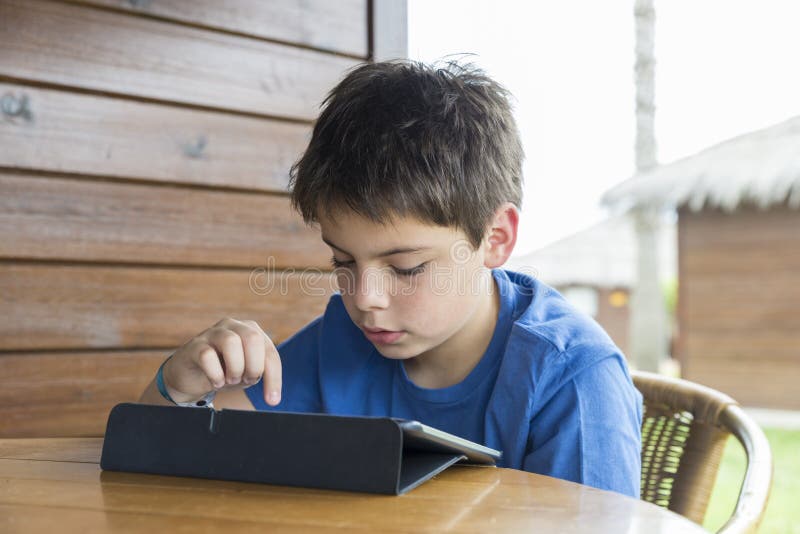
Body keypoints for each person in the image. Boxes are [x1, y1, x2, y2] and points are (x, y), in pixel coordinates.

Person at [138, 60, 642, 498]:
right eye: (343, 263)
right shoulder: (342, 342)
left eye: (406, 268)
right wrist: (180, 385)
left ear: (494, 238)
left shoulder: (572, 380)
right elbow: (173, 457)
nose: (365, 300)